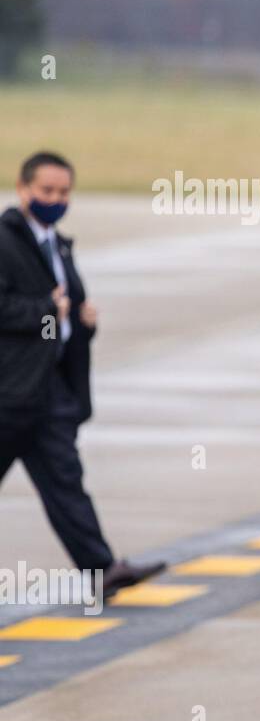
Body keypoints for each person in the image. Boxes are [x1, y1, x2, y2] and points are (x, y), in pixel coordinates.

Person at [0, 152, 165, 599]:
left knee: (65, 483)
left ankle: (101, 570)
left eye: (63, 192)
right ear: (23, 189)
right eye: (47, 191)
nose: (55, 199)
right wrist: (46, 311)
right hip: (10, 392)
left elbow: (62, 311)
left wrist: (82, 323)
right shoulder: (5, 239)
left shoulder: (55, 243)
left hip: (48, 391)